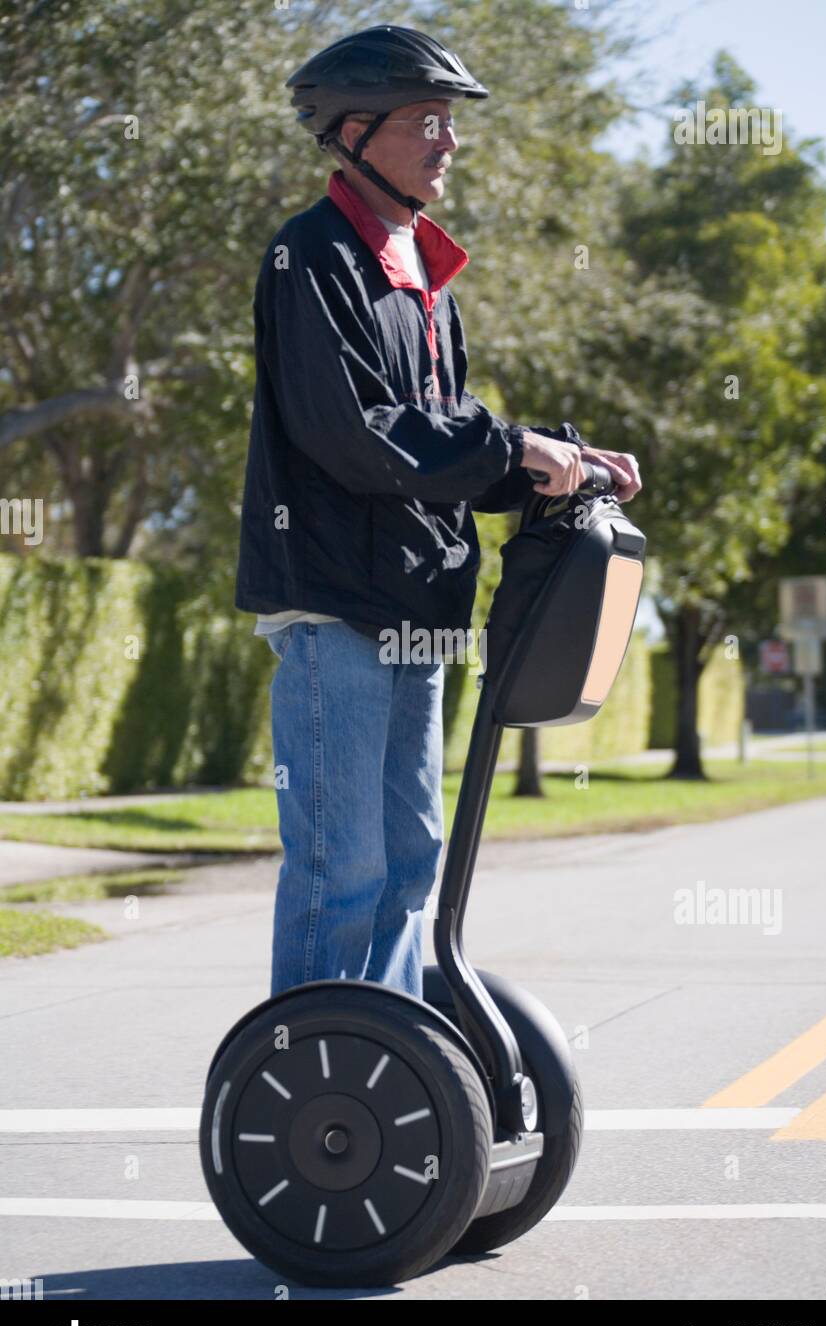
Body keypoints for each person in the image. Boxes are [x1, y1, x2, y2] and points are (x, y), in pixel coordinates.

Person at [234, 25, 641, 1002]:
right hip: (335, 605)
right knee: (345, 867)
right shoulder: (314, 257)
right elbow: (358, 433)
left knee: (410, 862)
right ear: (353, 129)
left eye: (450, 122)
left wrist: (561, 458)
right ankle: (316, 1078)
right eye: (428, 120)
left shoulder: (420, 274)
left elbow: (444, 432)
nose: (447, 141)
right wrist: (514, 451)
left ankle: (394, 1070)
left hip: (419, 613)